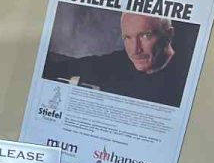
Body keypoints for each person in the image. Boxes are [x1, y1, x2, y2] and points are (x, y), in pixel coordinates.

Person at [43, 11, 187, 106]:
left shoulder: (185, 81)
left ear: (169, 35)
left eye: (146, 35)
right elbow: (76, 66)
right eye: (127, 38)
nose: (135, 50)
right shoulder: (119, 61)